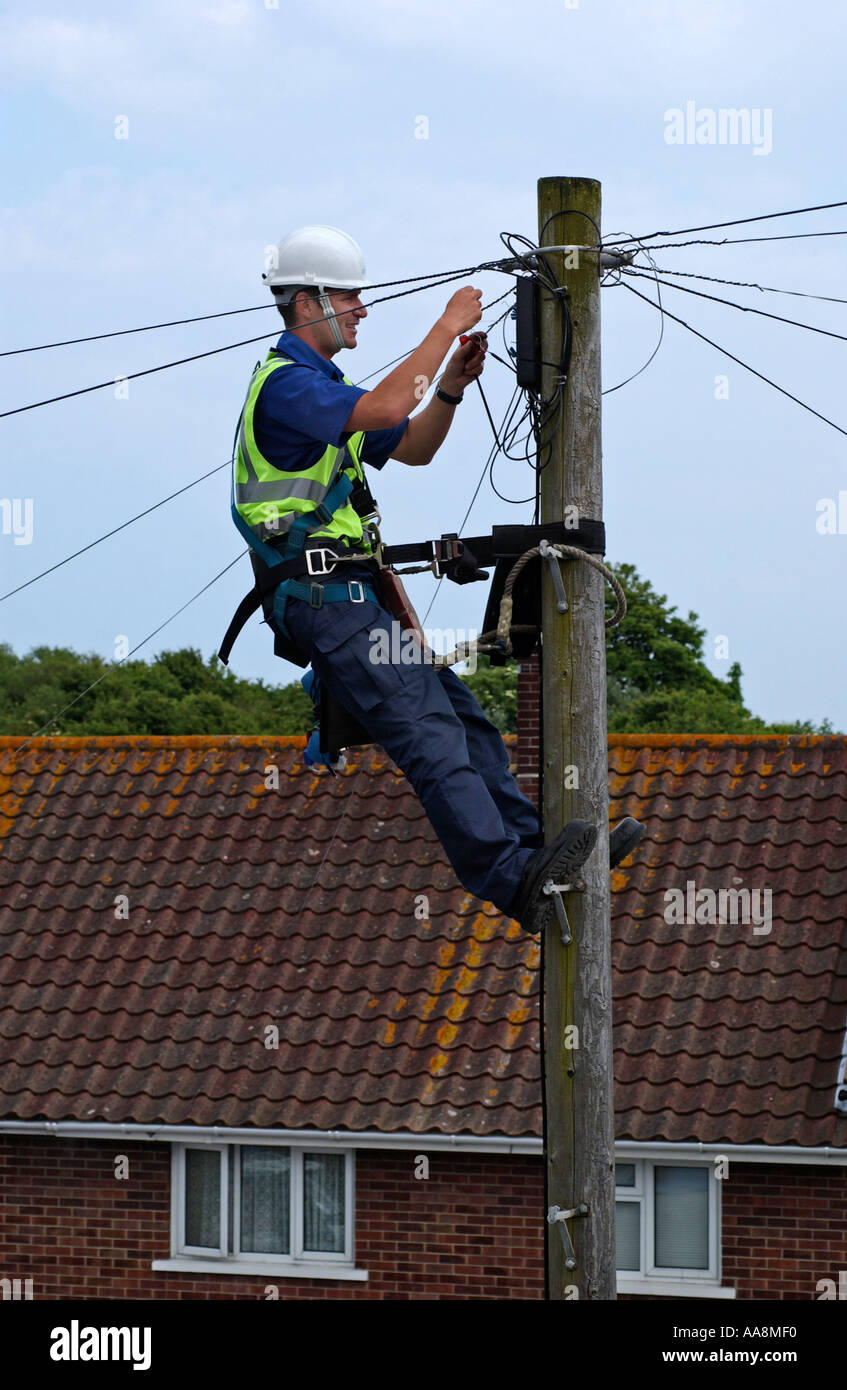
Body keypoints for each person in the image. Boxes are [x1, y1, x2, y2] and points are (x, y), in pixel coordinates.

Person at [228, 225, 644, 932]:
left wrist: (447, 387)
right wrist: (444, 325)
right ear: (307, 302)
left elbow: (412, 443)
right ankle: (512, 881)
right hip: (325, 601)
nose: (361, 308)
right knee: (429, 738)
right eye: (349, 296)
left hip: (355, 599)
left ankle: (536, 853)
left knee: (463, 725)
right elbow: (389, 411)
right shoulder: (288, 387)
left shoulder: (327, 392)